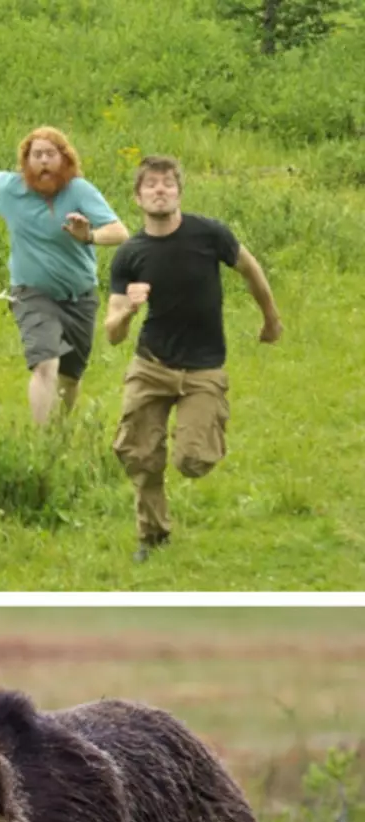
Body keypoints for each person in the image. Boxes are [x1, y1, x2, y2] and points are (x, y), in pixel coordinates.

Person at [104, 155, 283, 562]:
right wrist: (128, 312)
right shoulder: (129, 254)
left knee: (193, 460)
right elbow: (112, 333)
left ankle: (207, 425)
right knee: (139, 455)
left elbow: (250, 269)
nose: (160, 189)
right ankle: (152, 535)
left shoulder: (210, 234)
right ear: (138, 197)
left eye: (167, 183)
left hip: (203, 366)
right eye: (150, 184)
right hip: (151, 365)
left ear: (179, 192)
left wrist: (271, 318)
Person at [0, 126, 129, 424]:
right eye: (36, 155)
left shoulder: (79, 191)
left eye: (51, 154)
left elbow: (120, 232)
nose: (44, 161)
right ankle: (40, 445)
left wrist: (87, 235)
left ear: (65, 159)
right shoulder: (11, 188)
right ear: (26, 162)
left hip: (80, 296)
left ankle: (58, 435)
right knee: (45, 365)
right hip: (31, 292)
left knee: (70, 378)